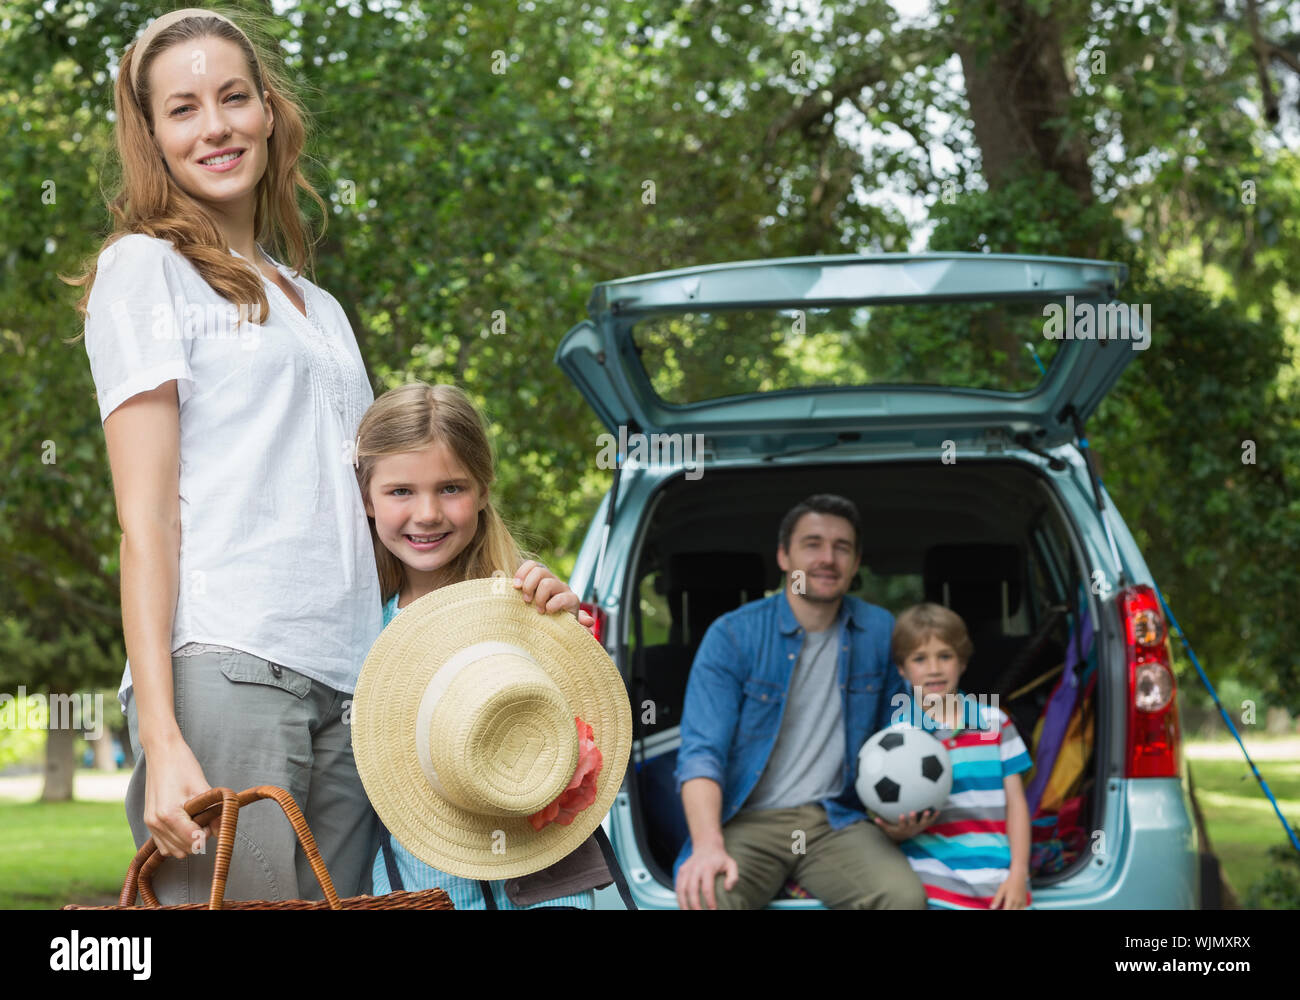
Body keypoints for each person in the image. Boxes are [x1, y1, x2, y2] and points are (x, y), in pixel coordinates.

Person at [67, 8, 577, 904]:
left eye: (234, 97)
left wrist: (507, 596)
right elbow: (143, 517)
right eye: (182, 110)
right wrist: (163, 729)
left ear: (269, 110)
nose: (215, 125)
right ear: (150, 137)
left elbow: (373, 520)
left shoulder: (319, 307)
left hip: (354, 687)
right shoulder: (144, 270)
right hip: (227, 666)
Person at [351, 381, 632, 909]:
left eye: (451, 488)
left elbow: (593, 738)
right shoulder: (364, 632)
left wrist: (566, 641)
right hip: (422, 890)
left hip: (546, 894)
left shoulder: (526, 607)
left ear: (483, 491)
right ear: (367, 499)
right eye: (401, 491)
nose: (428, 513)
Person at [673, 494, 928, 909]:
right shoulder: (733, 635)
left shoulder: (880, 630)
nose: (827, 558)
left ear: (856, 561)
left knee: (902, 898)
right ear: (783, 556)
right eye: (812, 544)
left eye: (841, 547)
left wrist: (899, 818)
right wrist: (707, 845)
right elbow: (702, 754)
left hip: (837, 819)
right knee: (708, 897)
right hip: (748, 818)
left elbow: (898, 737)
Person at [877, 603, 1033, 909]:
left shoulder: (994, 723)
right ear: (902, 669)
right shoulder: (897, 738)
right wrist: (900, 832)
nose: (934, 668)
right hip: (933, 883)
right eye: (919, 659)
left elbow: (1016, 805)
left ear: (962, 662)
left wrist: (1018, 872)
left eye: (945, 656)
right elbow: (887, 824)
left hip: (998, 880)